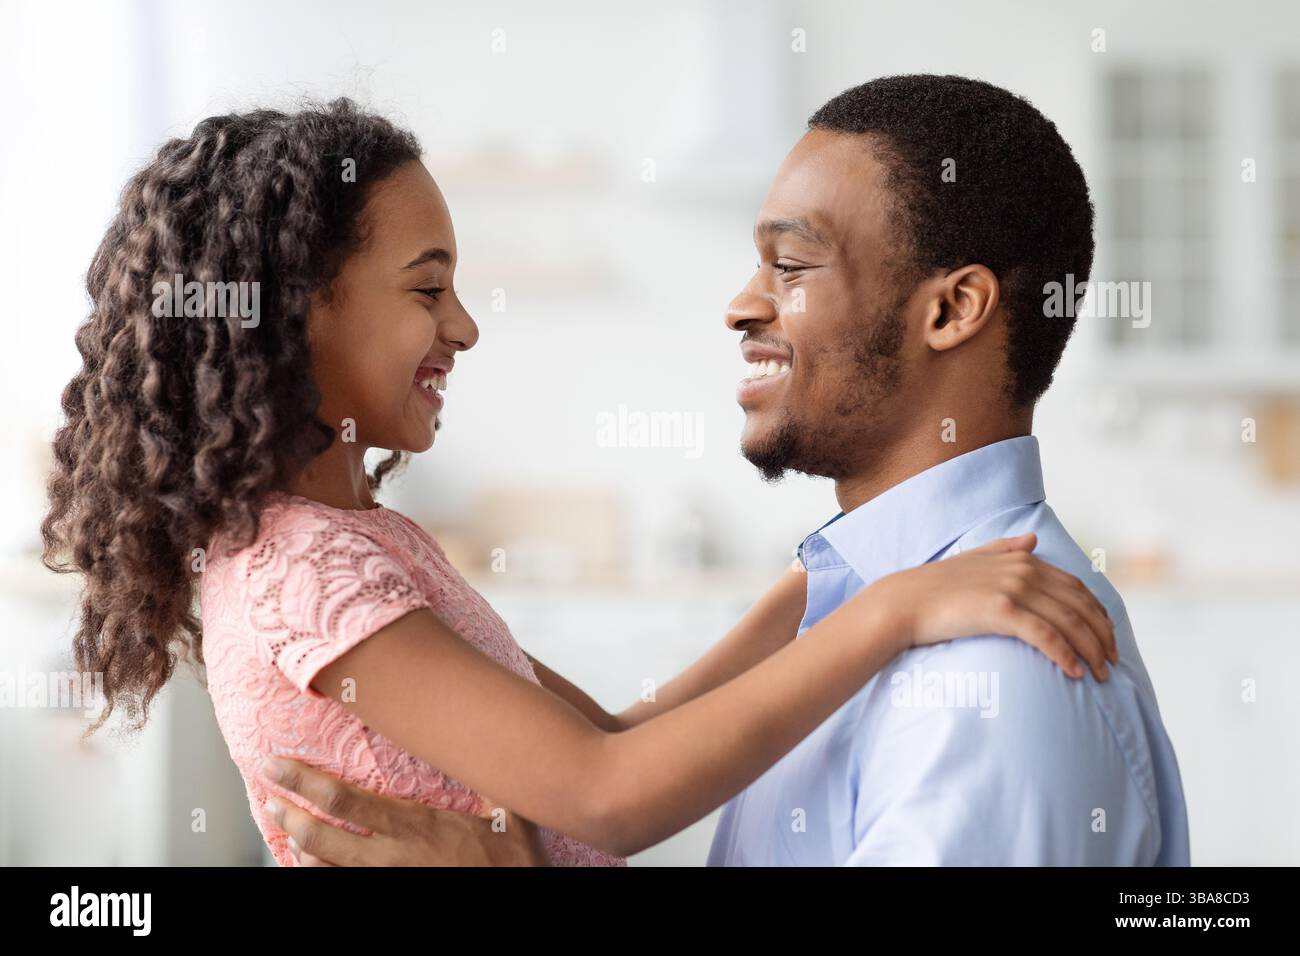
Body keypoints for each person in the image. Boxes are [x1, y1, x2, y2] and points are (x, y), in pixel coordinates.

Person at [41, 95, 1116, 868]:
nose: (462, 324)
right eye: (427, 289)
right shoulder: (304, 573)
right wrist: (889, 606)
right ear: (296, 311)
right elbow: (608, 797)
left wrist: (826, 582)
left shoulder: (368, 538)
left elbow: (610, 734)